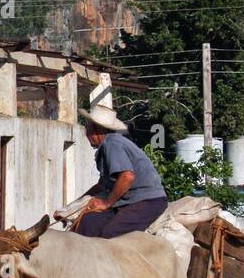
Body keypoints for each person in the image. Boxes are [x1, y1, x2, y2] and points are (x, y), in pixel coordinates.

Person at [64, 101, 168, 239]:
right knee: (88, 223)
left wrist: (106, 203)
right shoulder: (110, 143)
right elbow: (102, 185)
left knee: (111, 233)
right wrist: (72, 206)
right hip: (130, 202)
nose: (86, 132)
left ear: (96, 129)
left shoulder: (112, 144)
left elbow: (127, 177)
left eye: (87, 128)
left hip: (147, 201)